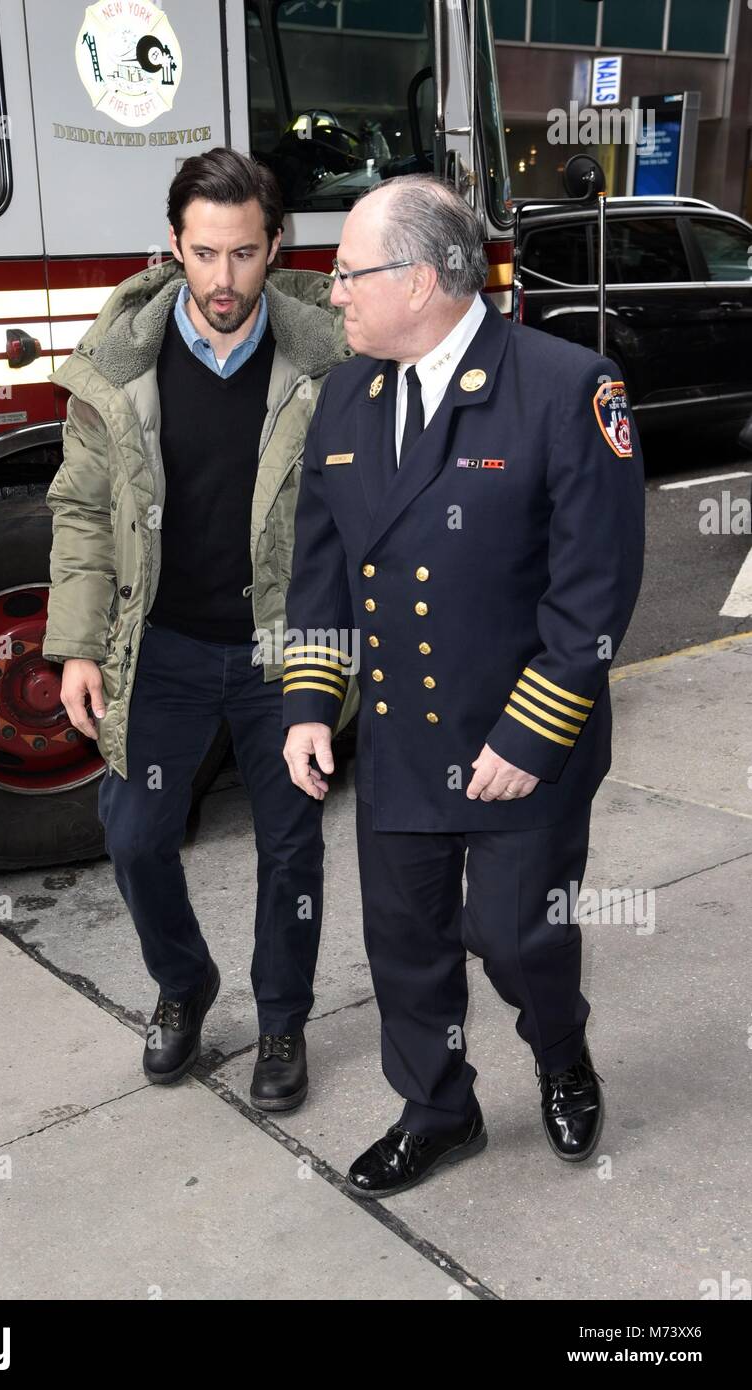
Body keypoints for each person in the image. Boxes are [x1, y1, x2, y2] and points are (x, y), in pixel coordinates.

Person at [282, 175, 645, 1198]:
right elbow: (320, 572)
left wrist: (528, 738)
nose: (333, 294)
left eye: (348, 273)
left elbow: (594, 592)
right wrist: (308, 703)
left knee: (517, 937)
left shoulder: (565, 386)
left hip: (517, 739)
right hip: (400, 739)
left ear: (423, 276)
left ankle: (560, 1052)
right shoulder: (343, 398)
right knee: (403, 946)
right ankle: (437, 1110)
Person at [43, 148, 354, 1110]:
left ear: (275, 247)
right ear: (174, 245)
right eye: (205, 254)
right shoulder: (117, 366)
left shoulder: (330, 361)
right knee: (135, 834)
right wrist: (78, 646)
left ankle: (280, 1021)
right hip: (164, 647)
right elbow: (84, 515)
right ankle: (183, 987)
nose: (225, 281)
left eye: (246, 255)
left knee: (291, 846)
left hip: (284, 648)